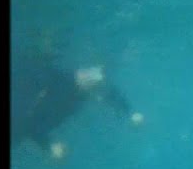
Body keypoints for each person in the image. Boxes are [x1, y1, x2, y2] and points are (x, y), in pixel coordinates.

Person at [11, 53, 142, 159]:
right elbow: (33, 128)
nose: (98, 75)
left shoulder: (72, 100)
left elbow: (109, 93)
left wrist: (128, 112)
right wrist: (48, 145)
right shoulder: (65, 94)